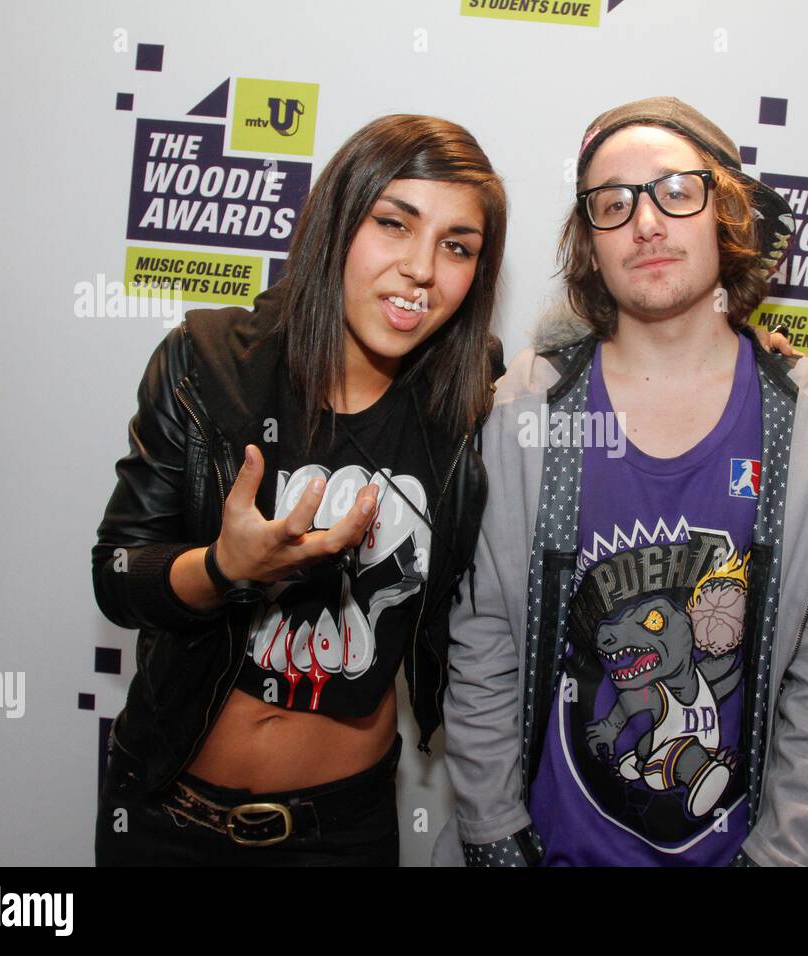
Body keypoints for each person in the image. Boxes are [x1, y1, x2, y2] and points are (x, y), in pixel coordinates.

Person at [433, 96, 808, 867]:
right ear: (589, 242)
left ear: (727, 215)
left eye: (675, 192)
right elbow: (483, 646)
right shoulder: (524, 411)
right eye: (612, 204)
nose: (645, 223)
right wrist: (493, 839)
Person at [92, 114, 506, 865]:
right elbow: (118, 577)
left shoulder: (476, 402)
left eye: (457, 247)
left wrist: (742, 356)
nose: (422, 268)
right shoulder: (208, 364)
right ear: (336, 223)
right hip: (165, 818)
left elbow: (622, 384)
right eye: (393, 223)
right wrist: (224, 570)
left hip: (341, 834)